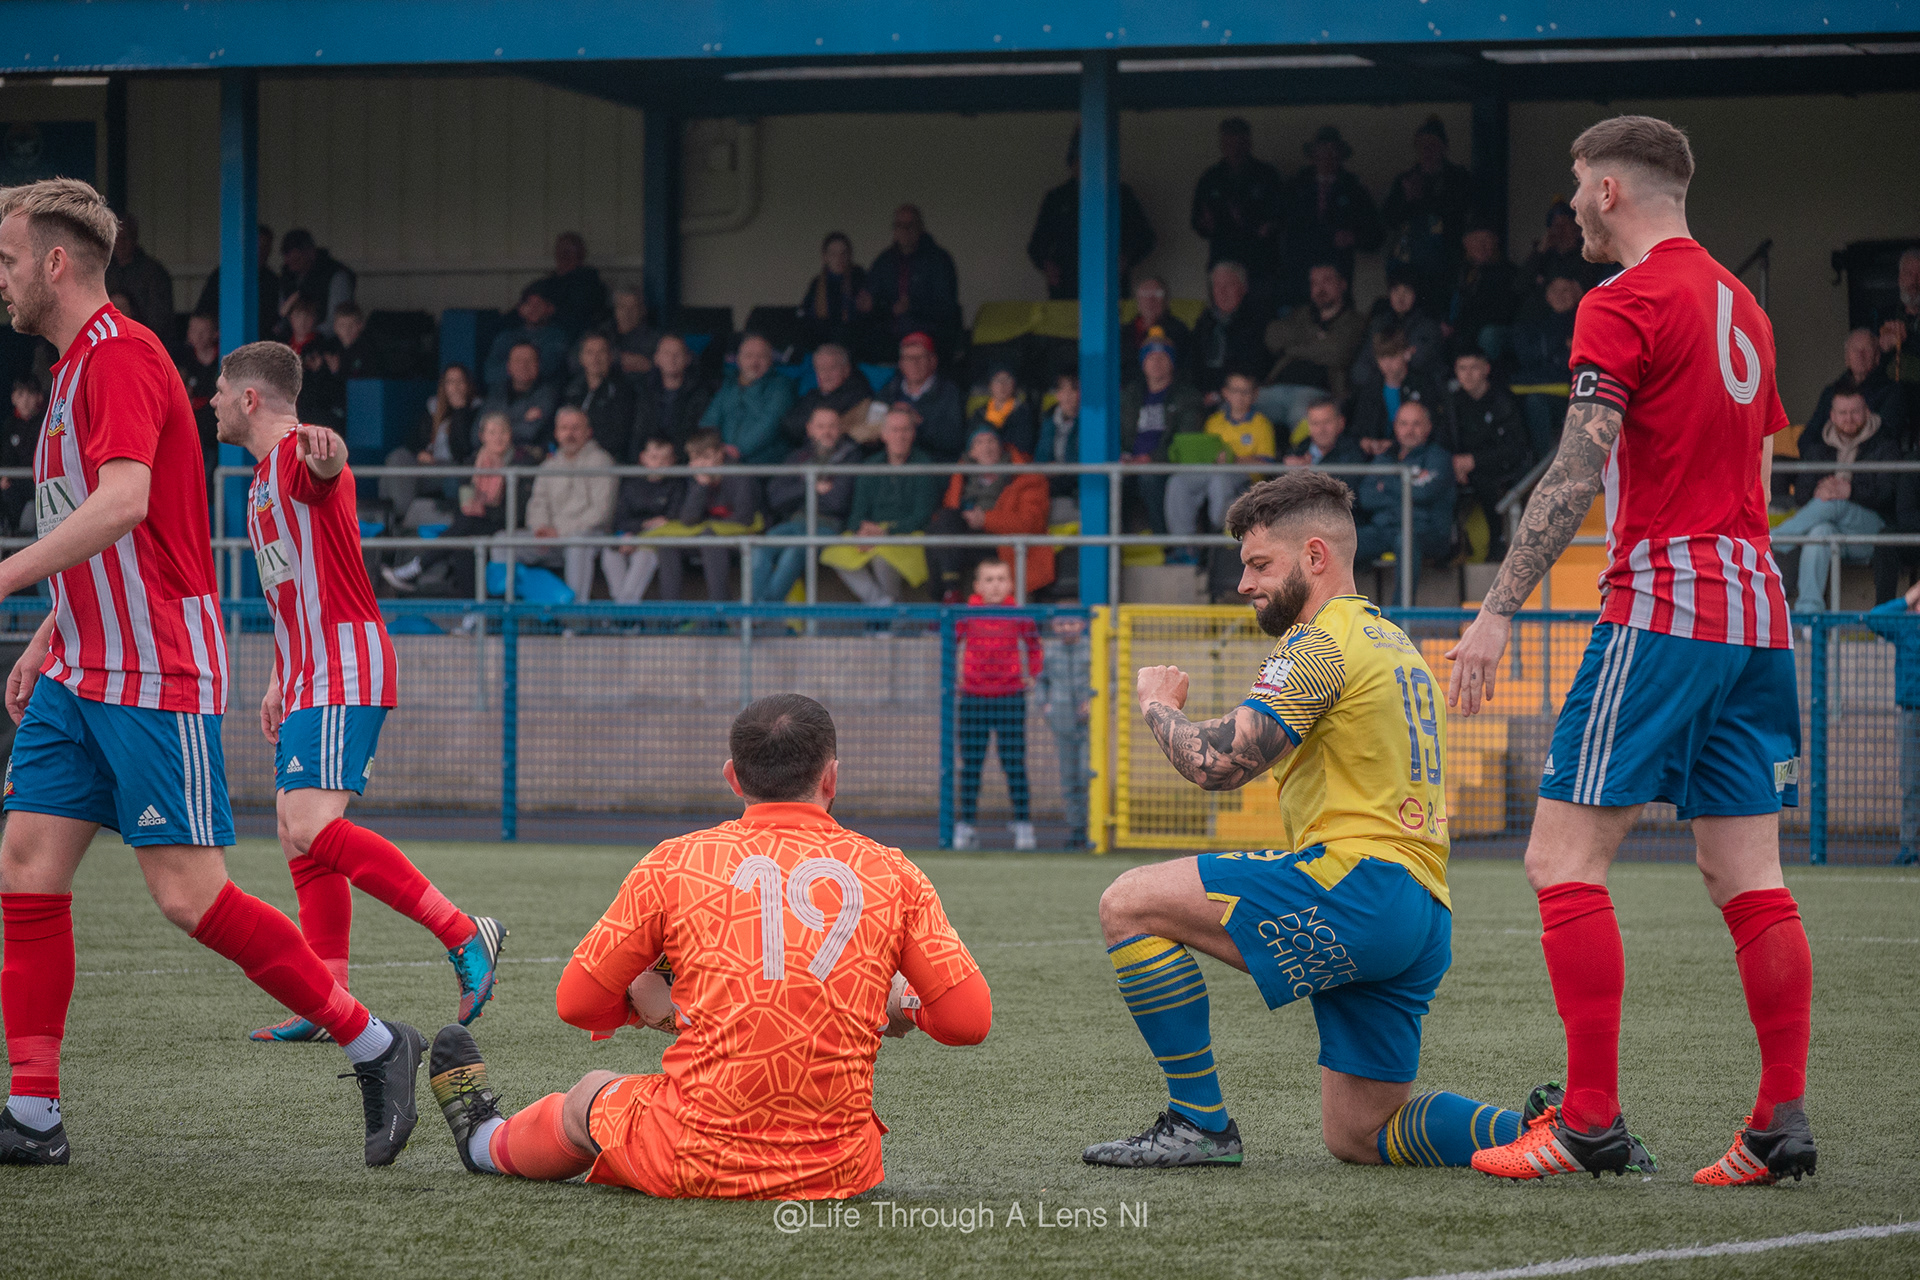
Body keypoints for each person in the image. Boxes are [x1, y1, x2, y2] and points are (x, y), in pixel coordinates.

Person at [0, 179, 422, 1168]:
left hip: (150, 666)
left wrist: (11, 576)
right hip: (82, 664)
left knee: (190, 895)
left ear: (56, 262)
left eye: (10, 260)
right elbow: (101, 534)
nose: (3, 279)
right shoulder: (70, 373)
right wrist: (47, 631)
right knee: (24, 861)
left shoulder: (121, 356)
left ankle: (375, 1041)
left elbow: (124, 503)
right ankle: (33, 1110)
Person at [1447, 116, 1815, 1188]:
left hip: (1664, 605)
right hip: (1756, 609)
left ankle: (1591, 1121)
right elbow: (1755, 463)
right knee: (1747, 872)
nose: (1568, 209)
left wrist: (1497, 607)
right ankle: (1779, 1121)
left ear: (1611, 189)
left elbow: (1576, 466)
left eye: (1574, 189)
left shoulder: (1623, 302)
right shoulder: (1746, 307)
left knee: (1561, 859)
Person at [1081, 470, 1526, 1171]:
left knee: (1127, 904)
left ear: (1315, 556)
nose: (1245, 584)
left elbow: (1214, 765)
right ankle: (1548, 1128)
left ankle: (1199, 1123)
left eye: (1260, 564)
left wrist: (1156, 703)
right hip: (1422, 909)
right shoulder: (1393, 642)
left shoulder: (1318, 644)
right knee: (1360, 1132)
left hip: (1361, 889)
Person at [425, 693, 990, 1197]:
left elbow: (575, 1004)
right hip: (836, 1169)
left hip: (690, 1156)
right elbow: (969, 1021)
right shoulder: (893, 872)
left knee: (590, 1094)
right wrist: (902, 1002)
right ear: (832, 778)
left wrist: (654, 1009)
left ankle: (484, 1142)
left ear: (733, 778)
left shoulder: (674, 861)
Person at [211, 341, 508, 1042]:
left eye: (221, 390)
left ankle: (465, 932)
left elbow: (328, 469)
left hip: (345, 665)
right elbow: (295, 582)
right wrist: (282, 673)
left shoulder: (296, 456)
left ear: (251, 398)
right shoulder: (257, 479)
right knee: (294, 832)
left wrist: (330, 454)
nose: (213, 401)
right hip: (310, 670)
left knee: (312, 825)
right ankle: (327, 996)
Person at [382, 411, 537, 599]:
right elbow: (462, 503)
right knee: (464, 541)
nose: (498, 437)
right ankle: (474, 614)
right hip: (474, 524)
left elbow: (518, 510)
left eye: (503, 432)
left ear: (510, 434)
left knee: (464, 529)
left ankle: (417, 568)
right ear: (482, 436)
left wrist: (484, 510)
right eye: (492, 432)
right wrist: (473, 509)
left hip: (506, 523)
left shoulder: (523, 461)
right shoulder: (473, 462)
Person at [1776, 389, 1901, 614]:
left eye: (1855, 412)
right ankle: (1809, 613)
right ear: (1832, 416)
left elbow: (1888, 495)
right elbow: (1801, 495)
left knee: (1833, 504)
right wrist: (1821, 490)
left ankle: (1775, 540)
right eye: (1842, 413)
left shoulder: (1885, 445)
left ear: (1867, 412)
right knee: (1819, 532)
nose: (1849, 419)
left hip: (1874, 532)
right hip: (1837, 535)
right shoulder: (1818, 449)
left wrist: (1849, 491)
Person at [952, 560, 1041, 852]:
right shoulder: (966, 613)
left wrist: (1034, 676)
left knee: (1014, 763)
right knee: (971, 765)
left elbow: (1034, 646)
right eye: (988, 579)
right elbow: (949, 641)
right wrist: (952, 676)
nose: (995, 585)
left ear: (1010, 584)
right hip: (974, 698)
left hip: (1010, 696)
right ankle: (965, 825)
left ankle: (1024, 824)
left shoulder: (1018, 614)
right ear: (978, 586)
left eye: (1001, 579)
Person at [822, 408, 940, 605]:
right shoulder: (870, 465)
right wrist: (861, 531)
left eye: (905, 430)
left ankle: (885, 622)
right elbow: (857, 511)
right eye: (894, 430)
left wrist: (885, 531)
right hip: (872, 532)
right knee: (833, 554)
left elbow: (922, 515)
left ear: (913, 434)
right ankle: (882, 604)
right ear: (884, 435)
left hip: (909, 534)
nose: (900, 436)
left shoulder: (924, 464)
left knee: (882, 559)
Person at [1026, 127, 1156, 301]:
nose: (1087, 167)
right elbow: (1036, 245)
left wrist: (1125, 259)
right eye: (1081, 161)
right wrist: (1047, 265)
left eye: (1093, 161)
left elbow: (1146, 238)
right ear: (1072, 164)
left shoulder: (1120, 195)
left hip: (1110, 285)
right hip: (1067, 287)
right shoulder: (1057, 198)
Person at [753, 406, 862, 605]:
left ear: (840, 429)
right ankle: (756, 609)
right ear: (810, 429)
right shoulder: (798, 457)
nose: (826, 432)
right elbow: (776, 497)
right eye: (821, 426)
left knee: (795, 550)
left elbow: (837, 503)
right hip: (796, 522)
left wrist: (798, 490)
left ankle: (762, 610)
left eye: (832, 426)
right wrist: (810, 487)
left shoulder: (851, 457)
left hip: (828, 526)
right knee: (759, 548)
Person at [928, 428, 1052, 602]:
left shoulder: (1027, 477)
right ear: (971, 452)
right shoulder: (961, 477)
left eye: (991, 441)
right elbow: (948, 515)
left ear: (1001, 447)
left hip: (1006, 543)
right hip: (968, 541)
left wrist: (986, 519)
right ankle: (950, 593)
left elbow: (1030, 523)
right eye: (979, 442)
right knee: (940, 527)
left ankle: (944, 600)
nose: (986, 447)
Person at [1164, 371, 1275, 563]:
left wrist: (1234, 459)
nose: (1239, 396)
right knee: (1178, 481)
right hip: (1212, 473)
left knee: (1220, 478)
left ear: (1255, 395)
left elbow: (1267, 466)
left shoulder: (1261, 424)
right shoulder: (1213, 422)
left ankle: (1223, 525)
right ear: (1225, 393)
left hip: (1245, 480)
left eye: (1246, 391)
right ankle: (1185, 546)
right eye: (1235, 390)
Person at [1279, 125, 1383, 307]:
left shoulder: (1354, 191)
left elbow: (1376, 234)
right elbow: (1280, 226)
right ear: (1313, 155)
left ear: (1341, 156)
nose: (1327, 157)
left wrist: (1353, 238)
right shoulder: (1294, 188)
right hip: (1299, 278)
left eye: (1333, 151)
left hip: (1338, 276)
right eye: (1322, 151)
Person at [1190, 118, 1287, 310]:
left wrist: (1266, 226)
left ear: (1249, 144)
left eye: (1239, 144)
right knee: (1224, 319)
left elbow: (1282, 216)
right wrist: (1205, 224)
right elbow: (1197, 220)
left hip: (1259, 264)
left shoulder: (1266, 175)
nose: (1234, 150)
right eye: (1229, 144)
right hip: (1224, 261)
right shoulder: (1211, 178)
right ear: (1222, 145)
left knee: (1261, 318)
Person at [524, 407, 618, 603]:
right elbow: (537, 503)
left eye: (576, 428)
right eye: (564, 428)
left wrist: (560, 531)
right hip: (550, 536)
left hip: (590, 535)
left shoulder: (601, 461)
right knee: (502, 542)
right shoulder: (549, 466)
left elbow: (600, 513)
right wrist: (540, 528)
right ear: (557, 433)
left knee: (578, 544)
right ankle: (507, 617)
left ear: (588, 432)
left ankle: (575, 621)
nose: (570, 434)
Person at [655, 428, 761, 602]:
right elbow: (688, 519)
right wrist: (701, 487)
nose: (701, 464)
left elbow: (744, 518)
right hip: (705, 535)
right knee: (668, 543)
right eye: (695, 459)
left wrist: (708, 526)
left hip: (742, 536)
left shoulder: (740, 475)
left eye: (706, 457)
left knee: (709, 537)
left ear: (720, 454)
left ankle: (719, 612)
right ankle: (671, 614)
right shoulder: (695, 478)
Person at [1381, 115, 1474, 311]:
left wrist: (1422, 198)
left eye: (1433, 145)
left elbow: (1459, 215)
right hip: (1410, 265)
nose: (1427, 150)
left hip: (1446, 263)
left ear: (1444, 148)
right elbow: (1388, 220)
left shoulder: (1457, 178)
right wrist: (1406, 199)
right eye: (1423, 145)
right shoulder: (1405, 179)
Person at [1446, 348, 1532, 559]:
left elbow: (1516, 448)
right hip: (1462, 468)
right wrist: (1454, 464)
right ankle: (1451, 543)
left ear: (1486, 369)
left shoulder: (1503, 400)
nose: (1467, 374)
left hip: (1501, 466)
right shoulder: (1452, 403)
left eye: (1474, 367)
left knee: (1484, 479)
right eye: (1462, 368)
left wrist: (1474, 461)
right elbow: (1445, 439)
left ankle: (1497, 541)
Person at [1259, 261, 1367, 429]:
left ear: (1342, 284)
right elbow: (1272, 338)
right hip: (1276, 387)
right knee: (1230, 411)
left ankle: (1300, 457)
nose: (1320, 288)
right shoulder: (1300, 314)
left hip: (1317, 393)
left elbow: (1337, 353)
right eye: (1315, 283)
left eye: (1327, 281)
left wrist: (1291, 348)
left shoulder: (1355, 320)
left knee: (1305, 419)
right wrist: (1317, 339)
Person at [1120, 331, 1208, 536]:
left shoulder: (1187, 396)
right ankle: (1119, 547)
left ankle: (1163, 542)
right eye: (1151, 357)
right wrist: (1123, 455)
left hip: (1165, 465)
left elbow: (1185, 441)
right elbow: (1116, 434)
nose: (1156, 362)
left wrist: (1151, 458)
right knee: (1112, 480)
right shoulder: (1130, 395)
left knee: (1149, 479)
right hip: (1129, 463)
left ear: (1172, 362)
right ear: (1143, 363)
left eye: (1163, 357)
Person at [1353, 401, 1456, 575]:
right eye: (1403, 424)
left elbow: (1423, 494)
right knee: (1343, 543)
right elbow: (1366, 497)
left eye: (1416, 424)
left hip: (1426, 532)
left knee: (1405, 540)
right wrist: (1407, 484)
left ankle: (1401, 604)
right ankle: (1340, 602)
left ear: (1428, 427)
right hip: (1384, 529)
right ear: (1396, 427)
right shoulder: (1384, 458)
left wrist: (1386, 483)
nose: (1409, 430)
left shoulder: (1439, 458)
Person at [1864, 582, 1920, 865]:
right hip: (1911, 711)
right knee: (1911, 783)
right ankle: (1909, 848)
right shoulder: (1906, 624)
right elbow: (1873, 619)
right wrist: (1908, 597)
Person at [861, 204, 962, 357]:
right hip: (890, 336)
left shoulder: (938, 259)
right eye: (899, 226)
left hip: (927, 334)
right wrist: (869, 304)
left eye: (910, 225)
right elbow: (873, 297)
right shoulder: (885, 261)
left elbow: (946, 306)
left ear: (920, 228)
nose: (904, 230)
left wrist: (913, 306)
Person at [383, 363, 480, 521]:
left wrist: (460, 411)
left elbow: (463, 449)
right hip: (429, 465)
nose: (454, 387)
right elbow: (412, 439)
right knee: (397, 458)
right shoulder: (434, 408)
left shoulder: (475, 411)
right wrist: (420, 453)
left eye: (460, 381)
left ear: (468, 385)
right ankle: (393, 519)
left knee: (397, 477)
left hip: (453, 467)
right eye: (450, 382)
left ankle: (401, 521)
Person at [600, 435, 685, 605]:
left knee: (645, 555)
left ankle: (623, 615)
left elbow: (671, 520)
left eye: (665, 459)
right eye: (654, 458)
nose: (659, 464)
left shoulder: (678, 484)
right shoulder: (631, 483)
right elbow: (619, 520)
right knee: (609, 553)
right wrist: (637, 530)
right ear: (643, 458)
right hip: (628, 536)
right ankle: (627, 613)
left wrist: (639, 535)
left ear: (673, 461)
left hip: (652, 543)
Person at [1512, 273, 1586, 460]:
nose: (1560, 295)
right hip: (1544, 388)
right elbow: (1528, 358)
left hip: (1578, 397)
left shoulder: (1587, 319)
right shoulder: (1536, 323)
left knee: (1536, 402)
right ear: (1546, 296)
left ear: (1577, 292)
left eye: (1566, 290)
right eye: (1555, 291)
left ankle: (1544, 464)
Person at [1036, 613, 1094, 849]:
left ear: (1082, 625)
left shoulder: (1092, 648)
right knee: (1069, 776)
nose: (1067, 628)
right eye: (1061, 623)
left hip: (1091, 723)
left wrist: (1093, 701)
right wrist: (1045, 705)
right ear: (1054, 626)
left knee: (1086, 773)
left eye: (1072, 622)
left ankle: (1093, 825)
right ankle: (1077, 828)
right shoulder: (1050, 652)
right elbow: (1042, 680)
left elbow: (1110, 679)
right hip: (1062, 720)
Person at [698, 333, 796, 467]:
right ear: (738, 360)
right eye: (748, 356)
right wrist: (716, 449)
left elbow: (769, 424)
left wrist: (738, 451)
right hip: (723, 460)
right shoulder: (729, 385)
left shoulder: (781, 386)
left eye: (761, 356)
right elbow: (709, 422)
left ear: (770, 360)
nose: (754, 362)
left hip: (761, 465)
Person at [1805, 328, 1910, 449]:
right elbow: (1808, 437)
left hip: (1871, 462)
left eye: (1867, 349)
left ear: (1877, 357)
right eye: (1855, 349)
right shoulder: (1831, 392)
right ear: (1847, 358)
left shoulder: (1893, 392)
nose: (1860, 354)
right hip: (1831, 462)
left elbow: (1886, 436)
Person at [873, 332, 966, 463]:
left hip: (935, 467)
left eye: (920, 357)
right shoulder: (888, 391)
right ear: (901, 363)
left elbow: (954, 441)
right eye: (908, 358)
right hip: (893, 467)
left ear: (933, 361)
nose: (914, 363)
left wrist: (919, 422)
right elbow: (871, 435)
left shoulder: (950, 393)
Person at [1350, 270, 1447, 393]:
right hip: (1379, 390)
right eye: (1395, 291)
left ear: (1416, 294)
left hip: (1417, 391)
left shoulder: (1428, 325)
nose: (1400, 297)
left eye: (1407, 291)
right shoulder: (1379, 323)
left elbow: (1417, 362)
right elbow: (1361, 367)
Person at [1349, 330, 1442, 457]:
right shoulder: (1371, 387)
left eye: (1392, 356)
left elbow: (1434, 427)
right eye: (1382, 357)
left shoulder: (1424, 385)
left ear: (1406, 354)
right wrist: (1364, 441)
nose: (1387, 363)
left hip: (1417, 454)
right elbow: (1359, 426)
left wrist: (1394, 445)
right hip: (1374, 456)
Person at [1191, 262, 1268, 400]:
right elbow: (1192, 362)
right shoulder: (1205, 321)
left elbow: (1253, 368)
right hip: (1202, 393)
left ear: (1243, 288)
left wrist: (1219, 394)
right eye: (1217, 286)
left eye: (1229, 285)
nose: (1222, 291)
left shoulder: (1256, 321)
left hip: (1239, 394)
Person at [1449, 220, 1522, 366]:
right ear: (1466, 244)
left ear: (1495, 242)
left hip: (1495, 329)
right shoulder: (1460, 272)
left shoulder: (1507, 271)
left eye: (1486, 240)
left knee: (1489, 335)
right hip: (1465, 329)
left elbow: (1505, 312)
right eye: (1475, 240)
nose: (1481, 246)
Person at [194, 222, 280, 343]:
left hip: (261, 342)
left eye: (265, 247)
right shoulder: (223, 275)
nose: (261, 251)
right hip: (221, 341)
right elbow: (204, 310)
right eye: (257, 246)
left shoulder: (272, 280)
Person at [779, 342, 873, 449]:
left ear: (846, 370)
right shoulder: (813, 395)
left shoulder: (858, 394)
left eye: (832, 368)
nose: (826, 374)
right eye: (821, 369)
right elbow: (789, 423)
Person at [484, 283, 570, 393]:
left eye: (539, 304)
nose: (533, 309)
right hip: (504, 396)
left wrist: (514, 368)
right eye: (529, 304)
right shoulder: (506, 337)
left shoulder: (557, 337)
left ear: (550, 308)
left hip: (542, 395)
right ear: (520, 309)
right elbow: (490, 374)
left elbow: (545, 369)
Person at [632, 333, 711, 453]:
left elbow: (698, 435)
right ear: (656, 358)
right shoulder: (643, 391)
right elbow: (638, 432)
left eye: (677, 354)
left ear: (688, 359)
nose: (672, 359)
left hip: (684, 463)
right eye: (666, 353)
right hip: (649, 461)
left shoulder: (700, 394)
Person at [567, 331, 638, 462]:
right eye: (590, 352)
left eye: (601, 352)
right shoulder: (571, 390)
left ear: (610, 356)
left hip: (605, 459)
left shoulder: (622, 391)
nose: (595, 358)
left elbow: (618, 435)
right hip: (571, 455)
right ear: (581, 358)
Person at [104, 214, 174, 343]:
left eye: (125, 238)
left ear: (135, 238)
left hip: (143, 340)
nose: (120, 243)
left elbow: (160, 320)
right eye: (116, 239)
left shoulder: (154, 273)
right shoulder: (104, 270)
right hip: (106, 338)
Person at [174, 312, 222, 502]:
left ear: (215, 333)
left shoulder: (226, 356)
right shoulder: (181, 358)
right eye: (194, 331)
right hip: (191, 436)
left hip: (219, 437)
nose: (198, 336)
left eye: (203, 331)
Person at [275, 228, 356, 337]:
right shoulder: (287, 277)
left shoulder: (335, 275)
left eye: (297, 257)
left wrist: (310, 338)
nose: (289, 259)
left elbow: (336, 322)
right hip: (292, 342)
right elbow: (282, 318)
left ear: (311, 252)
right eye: (286, 254)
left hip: (326, 343)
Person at [481, 342, 560, 451]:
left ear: (538, 365)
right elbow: (476, 434)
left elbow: (529, 432)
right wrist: (521, 419)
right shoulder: (496, 393)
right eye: (518, 360)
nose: (523, 365)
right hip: (494, 456)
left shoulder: (548, 393)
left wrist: (493, 431)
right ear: (508, 366)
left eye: (529, 360)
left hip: (532, 458)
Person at [797, 231, 868, 350]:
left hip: (853, 342)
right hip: (822, 343)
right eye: (833, 254)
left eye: (843, 253)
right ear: (825, 257)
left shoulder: (859, 278)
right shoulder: (818, 283)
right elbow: (806, 313)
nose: (839, 259)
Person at [531, 232, 609, 339]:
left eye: (568, 252)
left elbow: (581, 315)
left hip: (568, 336)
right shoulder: (543, 285)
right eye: (560, 251)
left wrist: (551, 311)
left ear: (580, 255)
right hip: (532, 332)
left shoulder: (590, 285)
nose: (563, 256)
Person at [1521, 200, 1607, 294]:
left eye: (1565, 224)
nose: (1560, 230)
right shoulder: (1545, 257)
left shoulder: (1588, 258)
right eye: (1556, 225)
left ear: (1576, 228)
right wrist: (1540, 250)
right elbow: (1520, 285)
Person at [1119, 276, 1193, 379]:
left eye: (1157, 294)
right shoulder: (1122, 333)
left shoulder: (1179, 331)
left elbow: (1183, 371)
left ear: (1166, 301)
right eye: (1145, 294)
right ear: (1137, 301)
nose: (1151, 299)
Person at [0, 373, 47, 533]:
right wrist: (5, 476)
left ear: (39, 397)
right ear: (13, 398)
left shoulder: (46, 424)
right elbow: (6, 455)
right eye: (20, 394)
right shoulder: (9, 426)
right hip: (15, 485)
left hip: (37, 484)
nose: (25, 400)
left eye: (30, 394)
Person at [1035, 370, 1082, 523]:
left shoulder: (1090, 421)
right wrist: (1046, 467)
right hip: (1052, 480)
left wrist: (1062, 468)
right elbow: (1040, 457)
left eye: (1074, 389)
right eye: (1063, 390)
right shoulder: (1048, 421)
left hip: (1076, 481)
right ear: (1057, 395)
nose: (1068, 396)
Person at [966, 362, 1038, 457]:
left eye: (1007, 380)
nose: (1002, 385)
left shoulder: (1023, 412)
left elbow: (1024, 446)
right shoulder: (979, 413)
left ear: (1014, 384)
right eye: (997, 380)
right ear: (990, 385)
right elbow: (969, 445)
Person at [1876, 247, 1920, 400]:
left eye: (1919, 275)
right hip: (1891, 400)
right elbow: (1870, 369)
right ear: (1900, 278)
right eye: (1909, 274)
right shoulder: (1883, 316)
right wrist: (1884, 349)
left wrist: (1905, 340)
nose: (1915, 281)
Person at [1284, 396, 1368, 471]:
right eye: (1315, 423)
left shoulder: (1354, 453)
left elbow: (1345, 485)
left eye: (1327, 422)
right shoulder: (1297, 451)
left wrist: (1309, 475)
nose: (1321, 430)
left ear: (1341, 423)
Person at [603, 285, 662, 382]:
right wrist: (616, 358)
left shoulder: (655, 339)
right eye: (622, 307)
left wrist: (650, 367)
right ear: (615, 310)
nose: (627, 313)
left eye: (633, 307)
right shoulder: (602, 332)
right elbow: (573, 359)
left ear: (642, 311)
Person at [328, 302, 378, 380]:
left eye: (352, 325)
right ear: (335, 327)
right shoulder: (329, 348)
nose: (347, 330)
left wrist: (338, 371)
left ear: (361, 325)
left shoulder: (368, 350)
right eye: (342, 325)